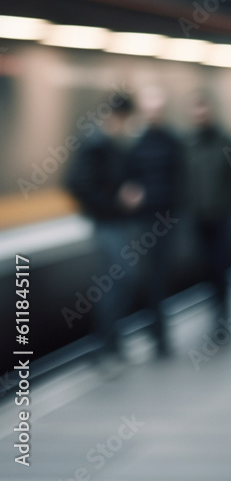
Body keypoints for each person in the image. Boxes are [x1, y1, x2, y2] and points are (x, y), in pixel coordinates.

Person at [65, 92, 144, 359]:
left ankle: (111, 341)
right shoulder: (94, 144)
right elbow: (78, 183)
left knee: (117, 281)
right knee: (120, 277)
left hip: (119, 222)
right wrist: (114, 201)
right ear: (116, 116)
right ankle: (106, 344)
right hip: (106, 223)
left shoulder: (113, 144)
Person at [128, 85, 184, 357]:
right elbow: (130, 176)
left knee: (160, 276)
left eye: (156, 109)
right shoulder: (137, 142)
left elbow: (182, 178)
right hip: (144, 220)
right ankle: (156, 330)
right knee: (150, 277)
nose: (153, 114)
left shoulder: (172, 141)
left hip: (166, 219)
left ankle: (159, 331)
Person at [186, 91, 231, 319]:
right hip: (198, 218)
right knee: (205, 267)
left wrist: (230, 211)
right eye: (196, 112)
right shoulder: (188, 144)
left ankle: (223, 312)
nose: (200, 115)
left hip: (222, 218)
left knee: (221, 266)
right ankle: (213, 306)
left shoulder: (227, 143)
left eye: (203, 110)